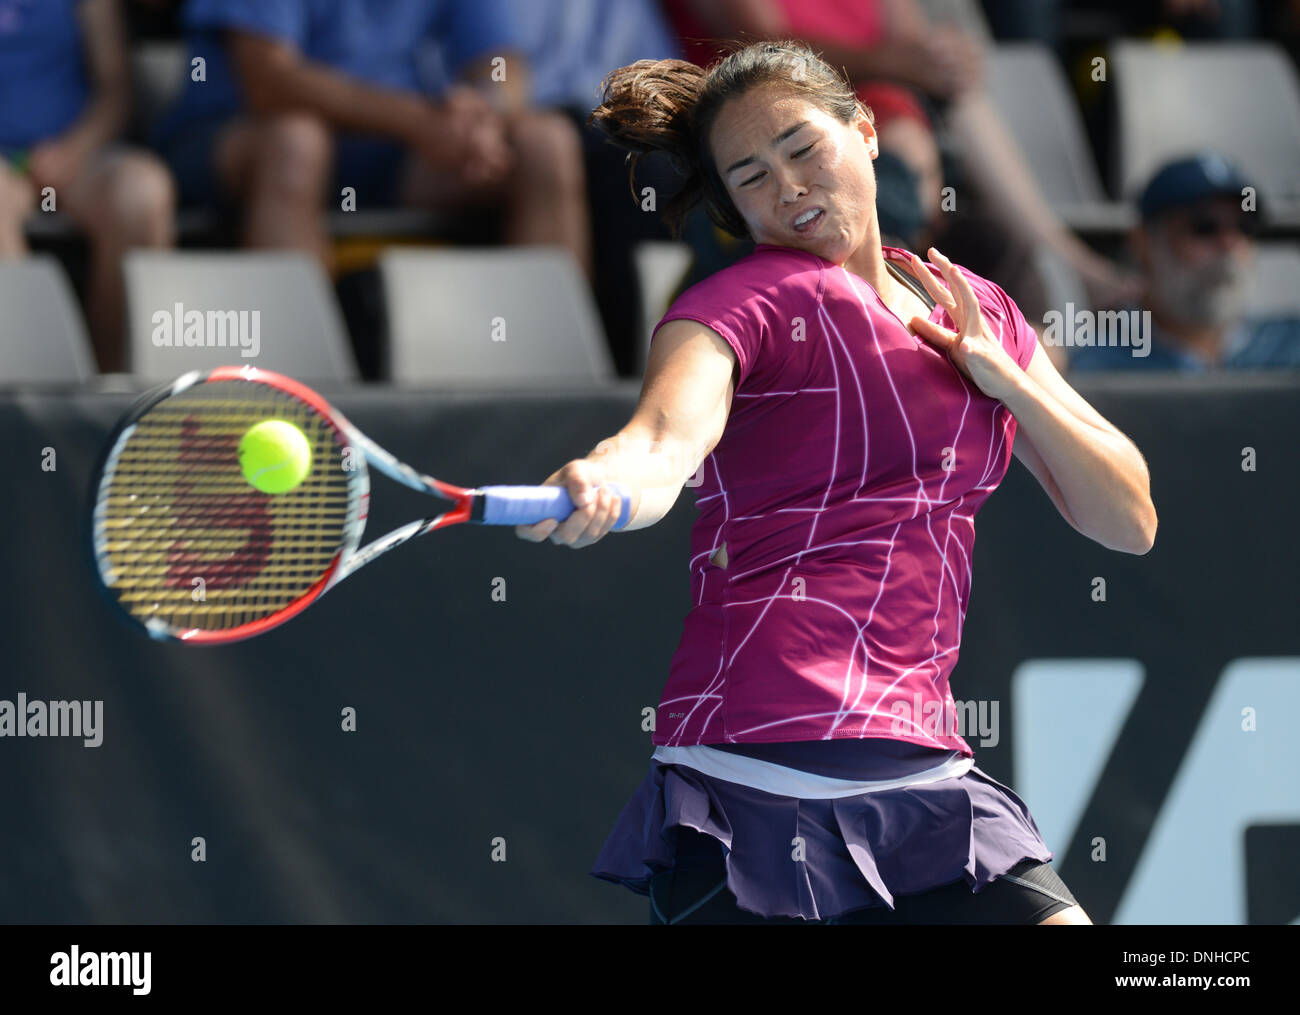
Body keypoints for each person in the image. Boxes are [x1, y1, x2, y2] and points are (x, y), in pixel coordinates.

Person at [516, 41, 1157, 925]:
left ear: (864, 132)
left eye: (802, 148)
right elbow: (664, 441)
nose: (787, 188)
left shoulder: (972, 307)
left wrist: (1007, 381)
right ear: (734, 205)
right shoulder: (738, 305)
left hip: (927, 774)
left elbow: (1127, 517)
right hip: (754, 778)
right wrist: (613, 476)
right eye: (751, 176)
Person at [154, 0, 590, 278]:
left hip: (386, 150)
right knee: (297, 141)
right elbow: (269, 80)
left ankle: (548, 372)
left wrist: (482, 114)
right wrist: (418, 121)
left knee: (544, 140)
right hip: (235, 140)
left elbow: (501, 61)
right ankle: (300, 383)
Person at [0, 0, 176, 372]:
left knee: (140, 192)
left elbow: (115, 89)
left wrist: (73, 150)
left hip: (76, 157)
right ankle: (35, 382)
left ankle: (120, 393)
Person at [1069, 153, 1300, 371]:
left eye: (1245, 227)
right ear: (1142, 243)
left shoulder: (1290, 345)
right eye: (1204, 226)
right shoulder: (1092, 364)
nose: (1229, 245)